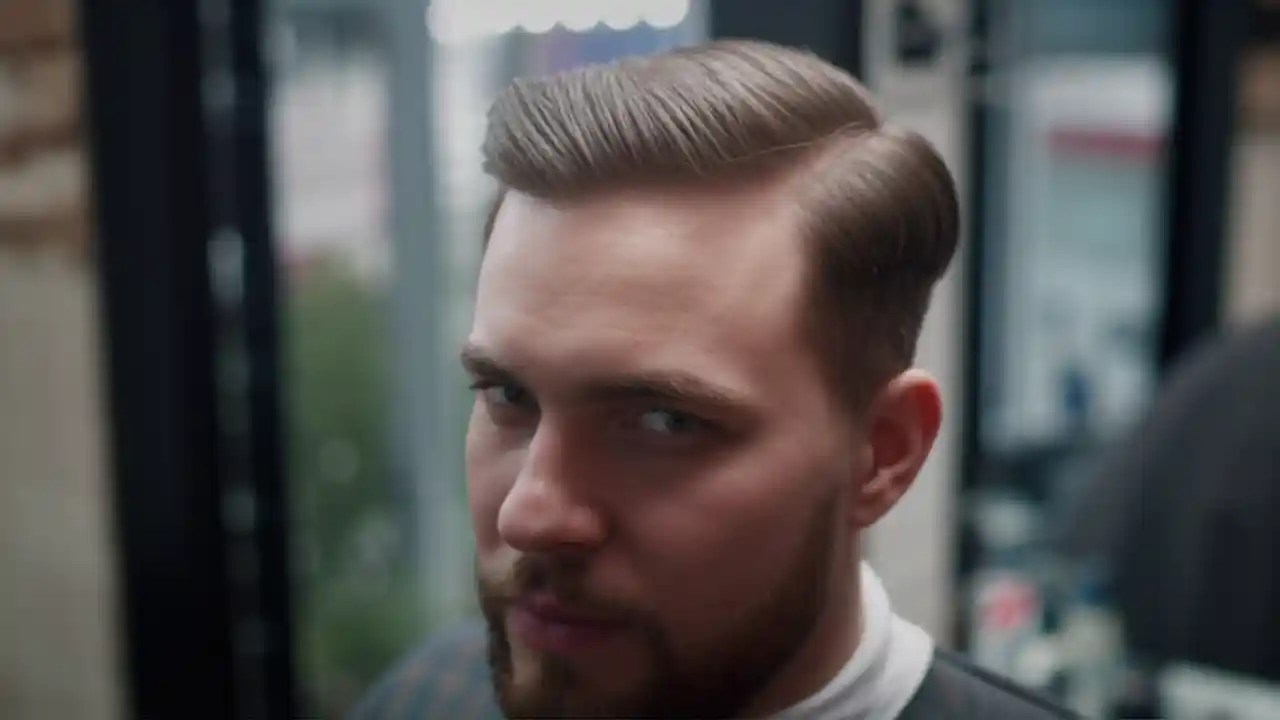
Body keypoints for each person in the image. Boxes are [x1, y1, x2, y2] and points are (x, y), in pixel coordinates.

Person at [353, 39, 1075, 719]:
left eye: (664, 422)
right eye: (510, 396)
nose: (528, 516)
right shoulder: (425, 695)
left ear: (883, 452)